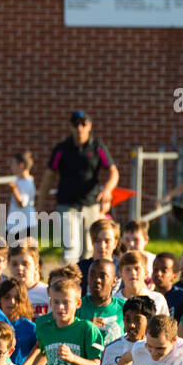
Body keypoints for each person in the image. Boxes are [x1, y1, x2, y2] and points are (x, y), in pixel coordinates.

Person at [39, 111, 119, 264]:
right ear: (71, 127)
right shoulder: (62, 149)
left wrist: (107, 189)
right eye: (76, 124)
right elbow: (49, 176)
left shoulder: (97, 147)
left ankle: (90, 281)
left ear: (89, 126)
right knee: (71, 248)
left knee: (90, 247)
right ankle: (70, 283)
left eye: (83, 124)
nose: (80, 128)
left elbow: (113, 172)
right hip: (67, 203)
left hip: (91, 204)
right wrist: (41, 204)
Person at [7, 150, 38, 241]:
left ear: (21, 165)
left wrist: (14, 189)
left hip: (24, 224)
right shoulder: (18, 180)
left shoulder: (27, 182)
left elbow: (21, 203)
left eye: (13, 163)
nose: (11, 166)